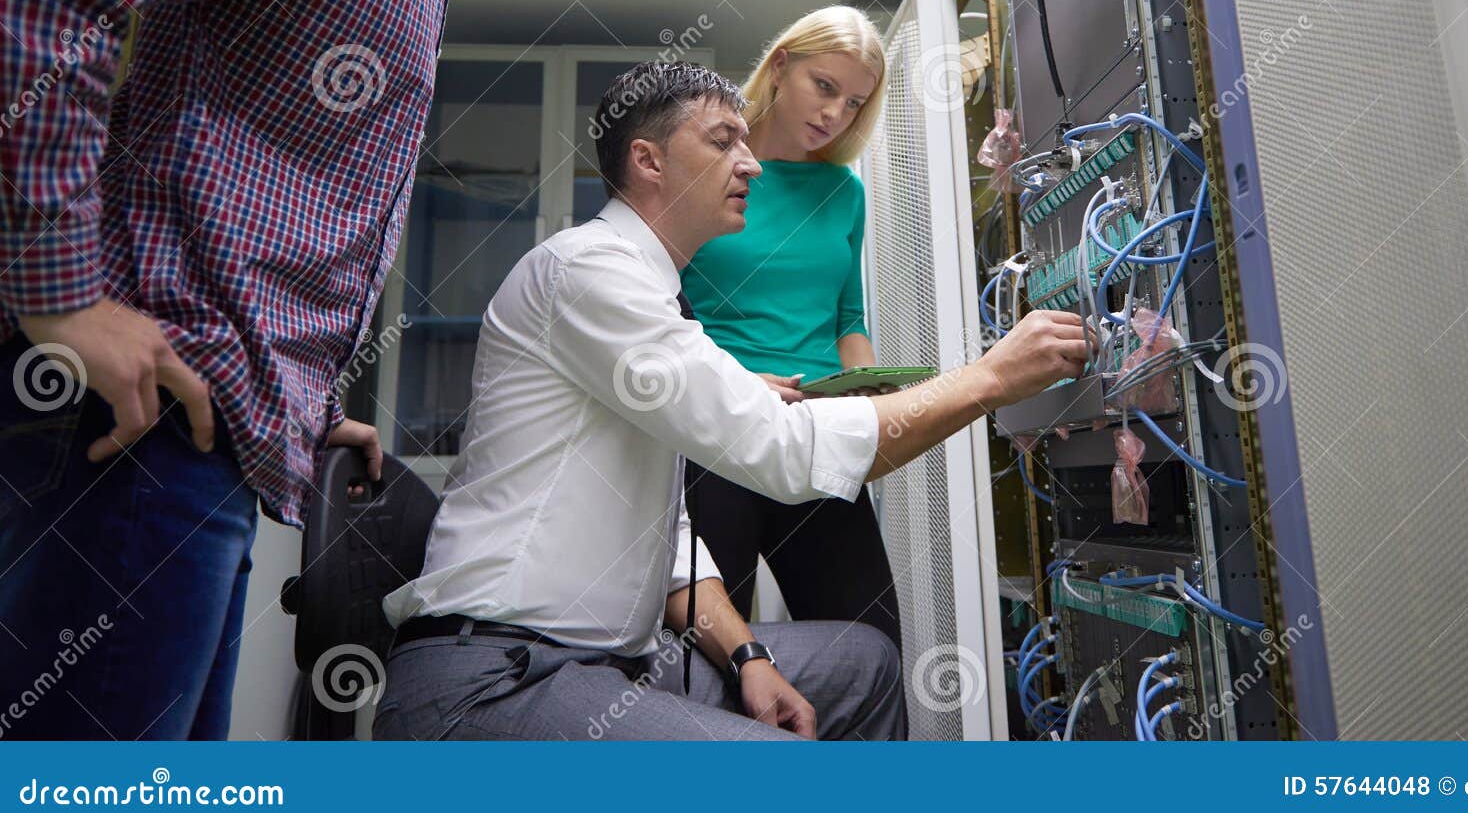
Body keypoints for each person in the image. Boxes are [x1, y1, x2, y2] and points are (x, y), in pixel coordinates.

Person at [0, 0, 657, 739]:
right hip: (133, 427)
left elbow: (257, 183)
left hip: (213, 433)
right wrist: (60, 292)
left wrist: (300, 398)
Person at [375, 62, 1093, 740]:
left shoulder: (662, 305)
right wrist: (989, 378)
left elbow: (675, 542)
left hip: (599, 665)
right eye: (723, 142)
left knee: (863, 662)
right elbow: (783, 451)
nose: (750, 163)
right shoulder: (591, 271)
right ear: (649, 161)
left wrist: (750, 658)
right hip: (495, 681)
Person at [681, 7, 904, 649]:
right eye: (825, 87)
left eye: (855, 102)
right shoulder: (707, 165)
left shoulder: (844, 190)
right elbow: (664, 305)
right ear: (780, 68)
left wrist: (867, 385)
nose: (836, 114)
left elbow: (848, 318)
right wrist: (734, 381)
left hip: (816, 437)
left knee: (871, 644)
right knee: (709, 658)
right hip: (716, 435)